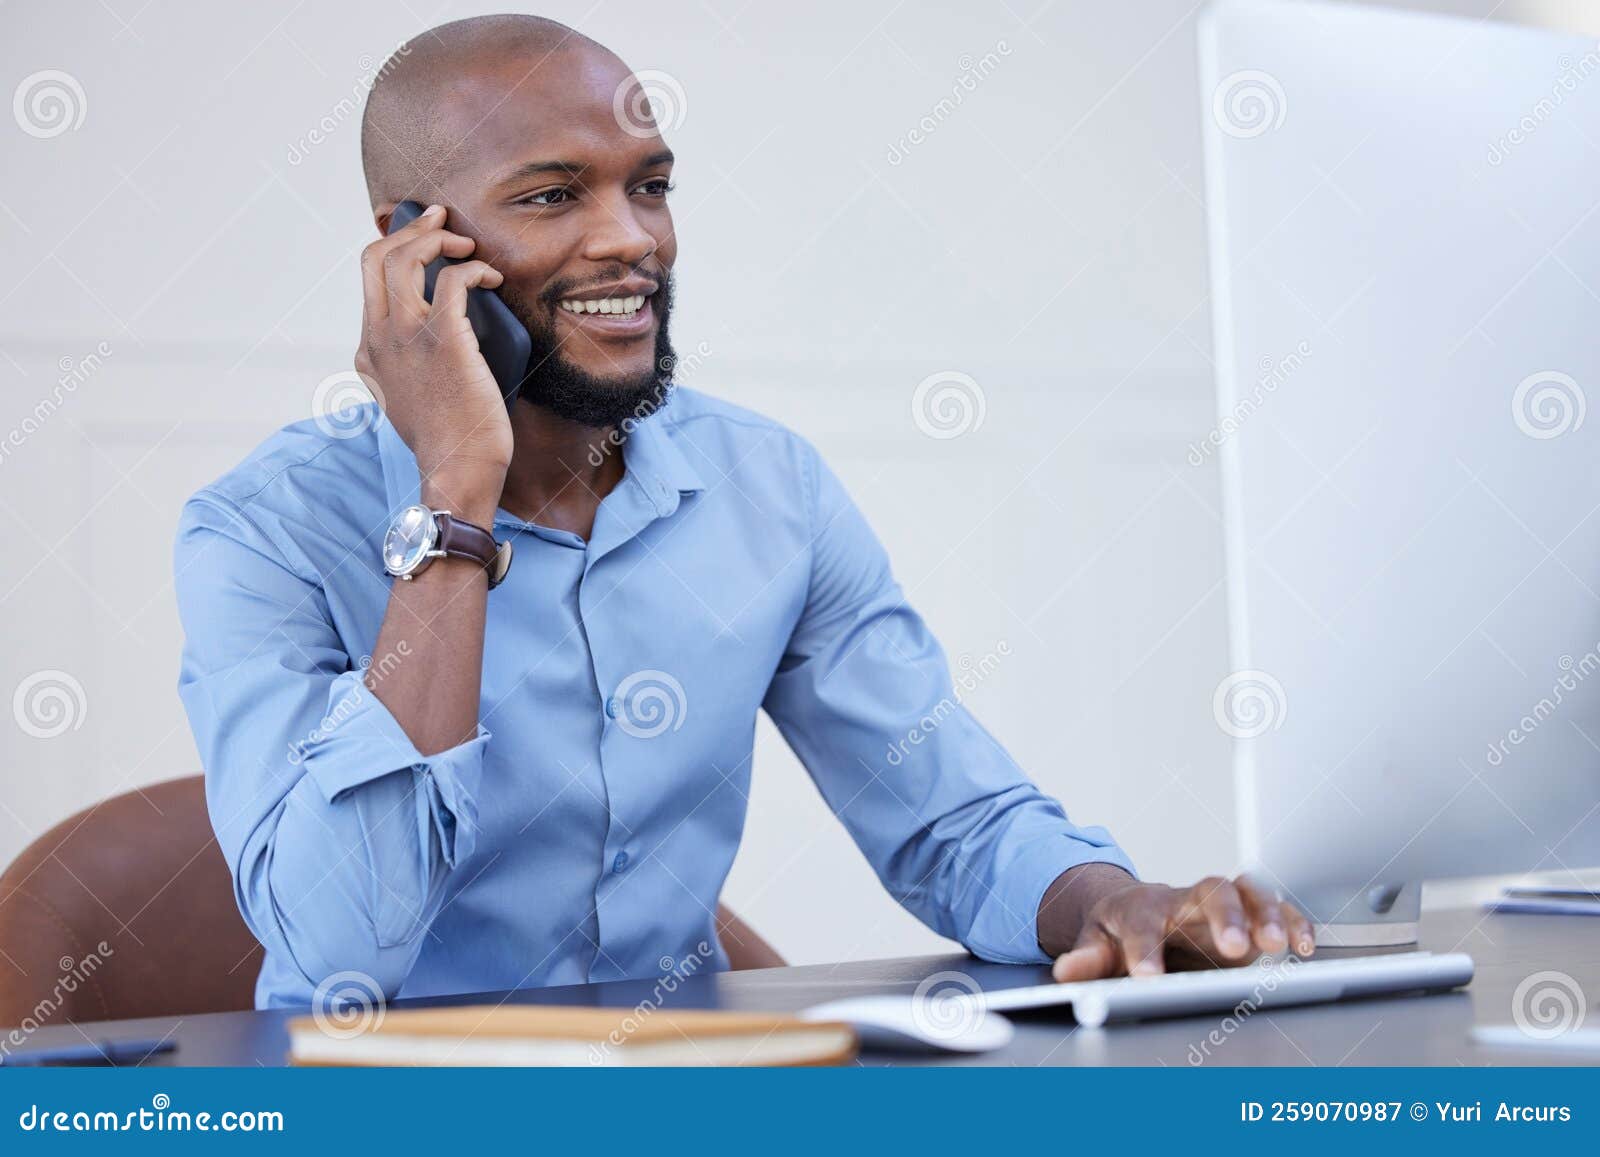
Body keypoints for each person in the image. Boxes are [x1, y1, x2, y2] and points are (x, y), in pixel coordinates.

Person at [174, 14, 1313, 1008]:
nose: (632, 237)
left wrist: (1114, 904)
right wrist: (455, 502)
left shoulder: (771, 489)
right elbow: (343, 946)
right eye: (554, 194)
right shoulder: (263, 531)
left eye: (651, 185)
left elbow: (949, 819)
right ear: (412, 244)